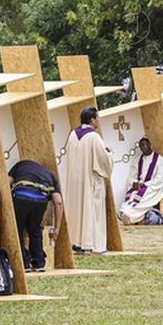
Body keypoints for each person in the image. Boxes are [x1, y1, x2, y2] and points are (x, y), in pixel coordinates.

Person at [62, 107, 113, 255]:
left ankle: (76, 242)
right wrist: (109, 154)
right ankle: (92, 244)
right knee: (92, 212)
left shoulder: (72, 135)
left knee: (76, 211)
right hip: (90, 181)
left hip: (74, 182)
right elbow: (103, 161)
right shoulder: (94, 137)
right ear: (92, 120)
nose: (99, 121)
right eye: (97, 118)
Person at [8, 159, 64, 271]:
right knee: (35, 230)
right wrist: (57, 228)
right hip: (40, 200)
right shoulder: (50, 175)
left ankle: (24, 263)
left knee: (17, 229)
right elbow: (58, 201)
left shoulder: (21, 164)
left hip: (21, 196)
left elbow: (7, 182)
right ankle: (39, 263)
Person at [119, 138, 163, 225]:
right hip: (140, 186)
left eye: (144, 145)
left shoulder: (159, 159)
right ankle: (125, 212)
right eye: (141, 146)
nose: (142, 148)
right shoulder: (137, 160)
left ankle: (130, 216)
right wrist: (135, 183)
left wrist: (144, 184)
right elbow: (132, 176)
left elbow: (159, 178)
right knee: (132, 194)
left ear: (149, 145)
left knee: (143, 195)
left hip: (153, 187)